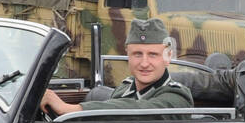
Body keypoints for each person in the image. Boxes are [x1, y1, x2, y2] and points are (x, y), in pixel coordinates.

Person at [42, 17, 192, 114]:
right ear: (128, 55)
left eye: (153, 55)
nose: (144, 63)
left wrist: (71, 109)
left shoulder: (177, 96)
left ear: (168, 57)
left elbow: (139, 112)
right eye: (137, 54)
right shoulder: (125, 87)